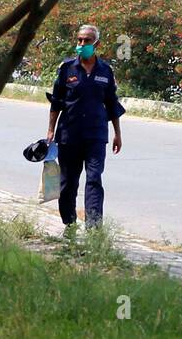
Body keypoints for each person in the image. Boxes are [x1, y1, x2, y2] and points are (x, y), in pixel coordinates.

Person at [46, 24, 124, 231]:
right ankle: (69, 225)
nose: (82, 44)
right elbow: (56, 102)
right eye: (79, 40)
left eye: (87, 41)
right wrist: (51, 130)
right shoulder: (66, 69)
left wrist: (118, 134)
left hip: (96, 136)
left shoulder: (106, 71)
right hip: (69, 135)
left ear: (96, 44)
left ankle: (94, 228)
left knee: (94, 179)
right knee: (68, 184)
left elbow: (112, 103)